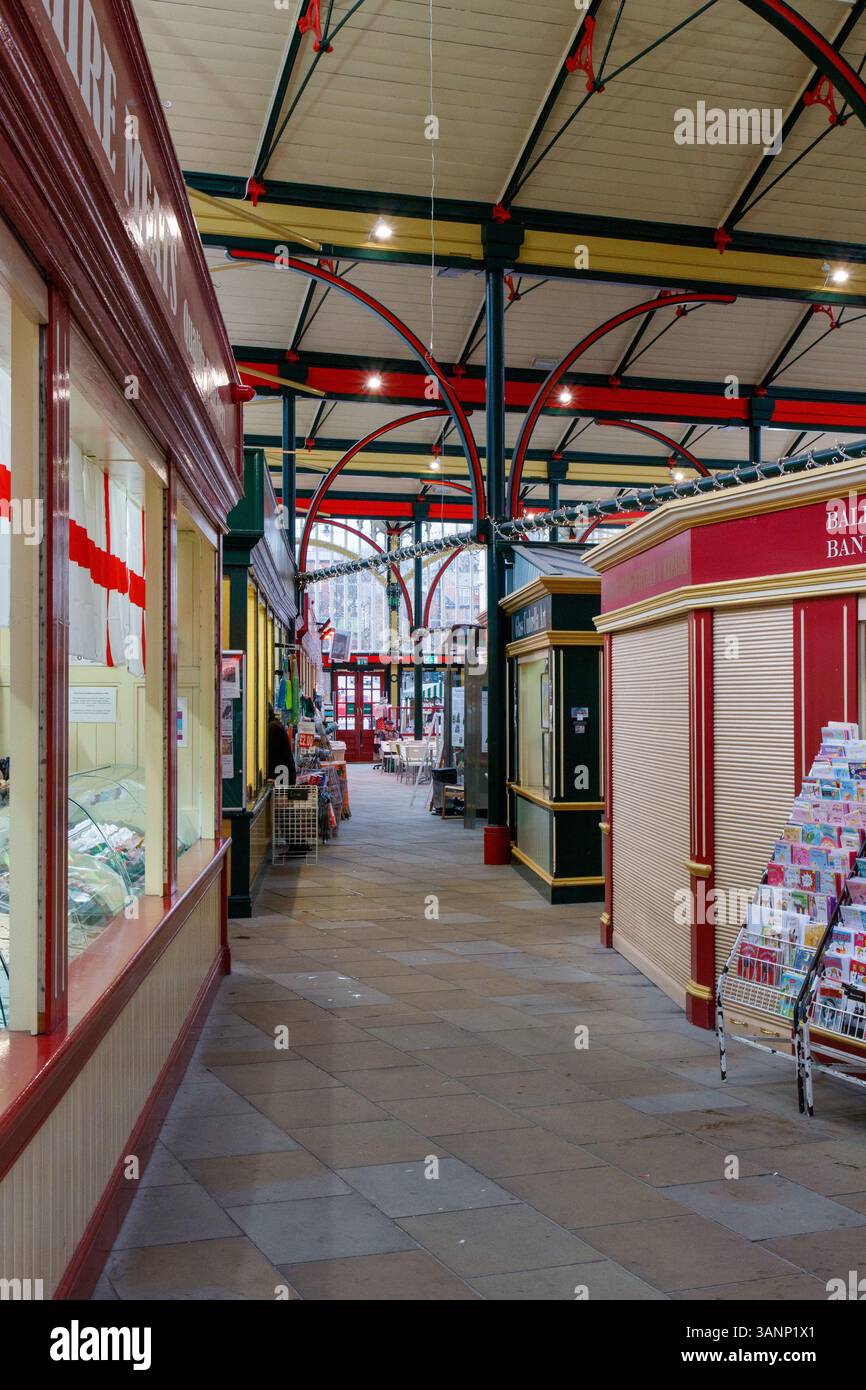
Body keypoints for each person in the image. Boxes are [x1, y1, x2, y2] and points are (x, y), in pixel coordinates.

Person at [266, 704, 296, 786]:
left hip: (282, 775)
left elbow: (273, 752)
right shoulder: (275, 724)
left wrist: (271, 775)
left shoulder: (273, 727)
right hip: (284, 773)